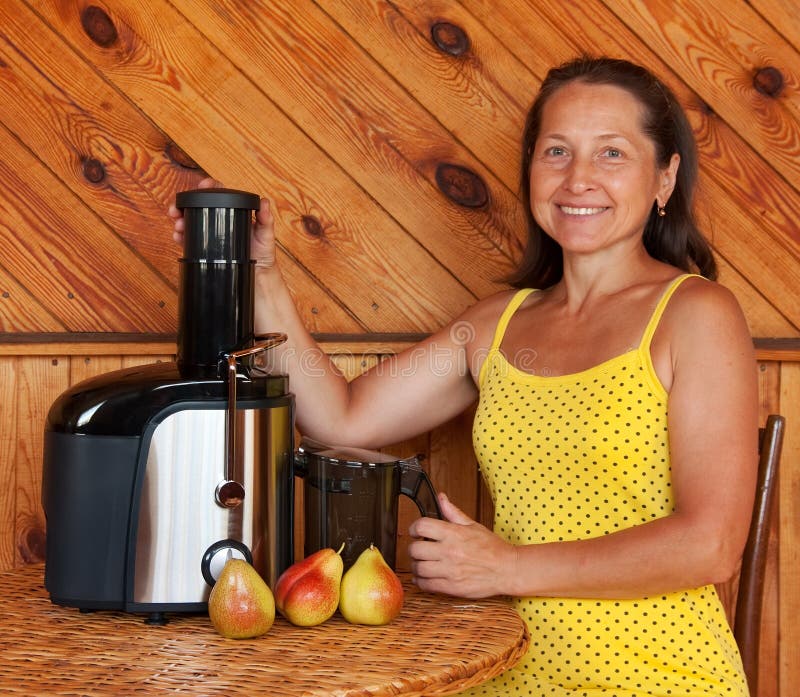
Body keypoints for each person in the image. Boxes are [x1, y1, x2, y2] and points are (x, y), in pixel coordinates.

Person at [171, 56, 758, 696]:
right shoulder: (495, 328)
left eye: (612, 154)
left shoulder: (697, 315)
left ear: (664, 179)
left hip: (658, 677)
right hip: (495, 672)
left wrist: (506, 566)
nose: (578, 179)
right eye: (556, 151)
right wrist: (262, 277)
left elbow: (711, 544)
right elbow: (341, 416)